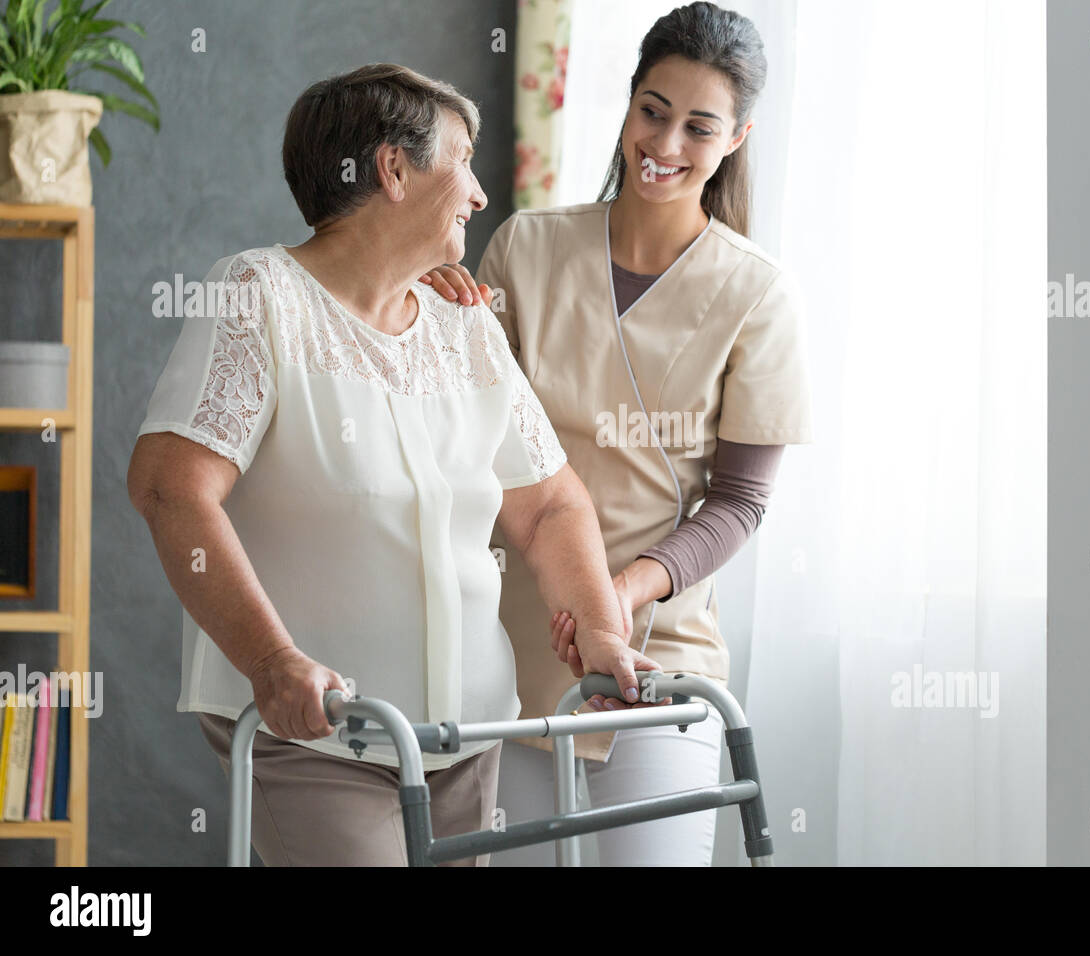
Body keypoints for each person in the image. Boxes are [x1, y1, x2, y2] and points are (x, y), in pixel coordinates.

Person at [127, 63, 658, 867]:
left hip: (466, 737)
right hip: (318, 734)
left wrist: (600, 630)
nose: (481, 195)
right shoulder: (257, 295)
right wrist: (274, 664)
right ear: (394, 169)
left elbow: (549, 505)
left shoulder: (463, 323)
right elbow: (170, 488)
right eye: (464, 161)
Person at [424, 2, 813, 866]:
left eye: (698, 126)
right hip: (516, 658)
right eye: (652, 110)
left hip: (659, 663)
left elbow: (742, 502)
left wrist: (626, 590)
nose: (666, 144)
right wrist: (434, 325)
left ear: (738, 137)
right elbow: (465, 437)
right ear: (630, 102)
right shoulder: (525, 249)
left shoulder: (757, 295)